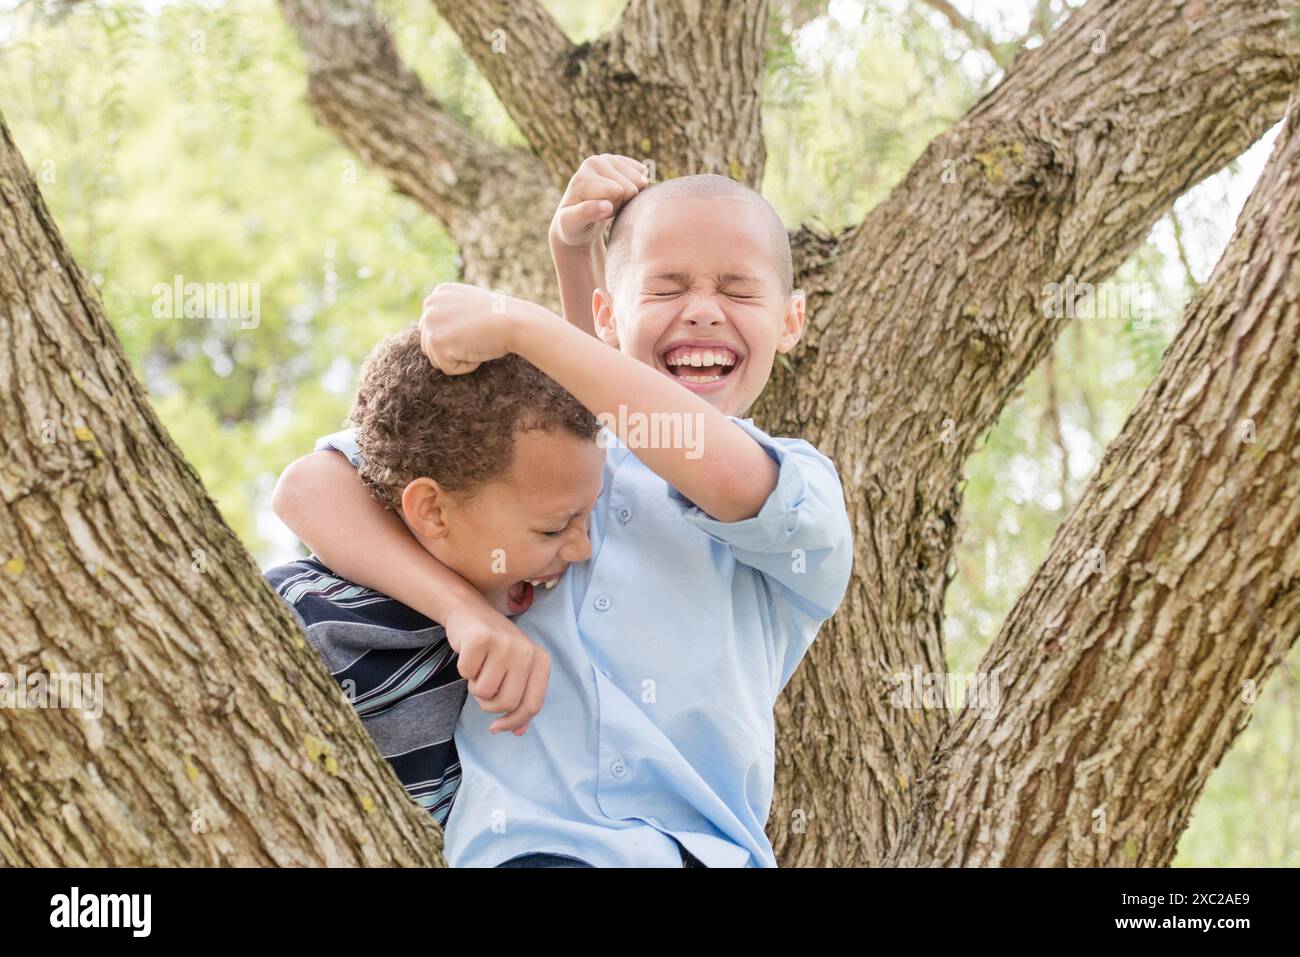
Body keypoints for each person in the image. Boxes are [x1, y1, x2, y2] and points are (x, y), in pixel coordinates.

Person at [273, 156, 854, 866]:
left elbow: (705, 460)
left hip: (690, 852)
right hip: (518, 847)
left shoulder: (801, 490)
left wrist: (524, 325)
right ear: (610, 315)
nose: (703, 308)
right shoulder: (560, 463)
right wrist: (465, 609)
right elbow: (310, 488)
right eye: (667, 287)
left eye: (738, 289)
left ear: (791, 322)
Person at [266, 327, 604, 828]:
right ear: (433, 512)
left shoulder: (520, 614)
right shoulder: (313, 619)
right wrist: (460, 609)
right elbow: (304, 485)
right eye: (554, 528)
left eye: (589, 517)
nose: (583, 549)